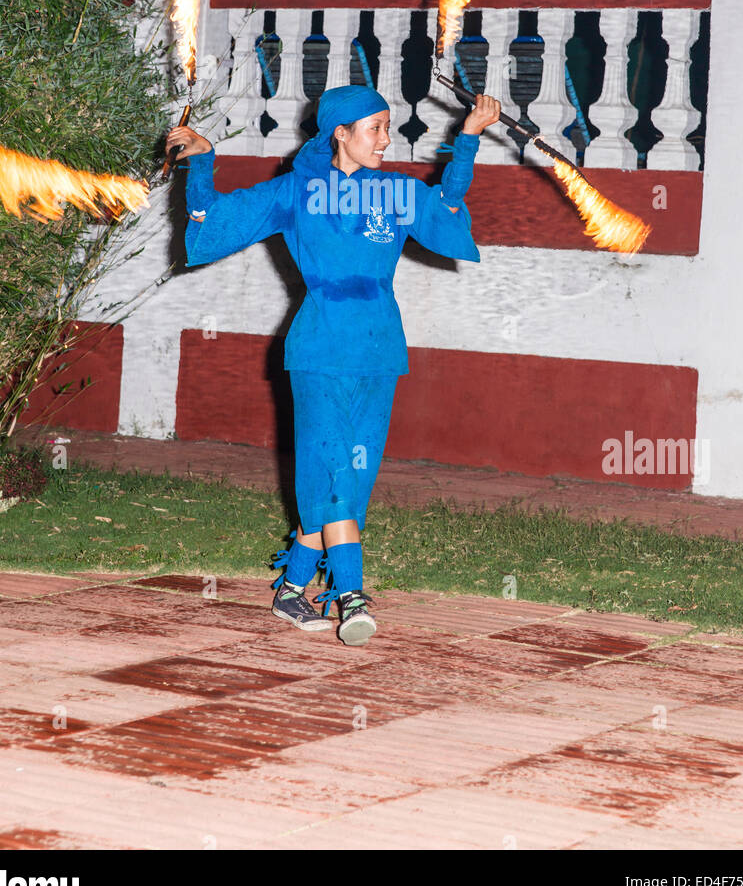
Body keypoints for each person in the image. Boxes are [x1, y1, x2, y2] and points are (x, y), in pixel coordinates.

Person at [166, 83, 500, 646]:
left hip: (379, 351)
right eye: (375, 128)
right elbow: (216, 219)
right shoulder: (298, 192)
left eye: (389, 127)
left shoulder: (395, 193)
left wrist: (467, 140)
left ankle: (293, 590)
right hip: (319, 352)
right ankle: (351, 595)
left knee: (350, 476)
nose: (387, 139)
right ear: (340, 134)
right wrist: (202, 161)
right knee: (337, 470)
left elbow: (444, 208)